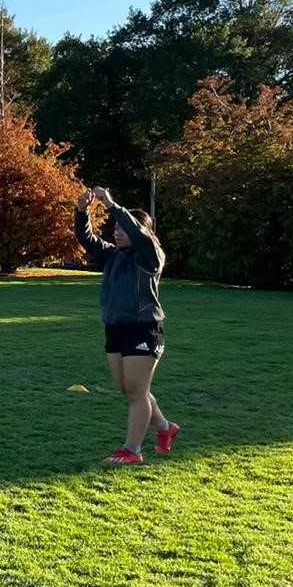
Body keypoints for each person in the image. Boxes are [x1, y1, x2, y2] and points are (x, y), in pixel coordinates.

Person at [76, 186, 179, 465]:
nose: (117, 231)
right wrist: (82, 210)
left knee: (136, 392)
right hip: (115, 328)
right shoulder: (113, 254)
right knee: (131, 390)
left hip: (143, 328)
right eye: (115, 228)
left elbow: (139, 236)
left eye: (123, 228)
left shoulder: (150, 256)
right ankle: (166, 428)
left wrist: (112, 205)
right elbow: (86, 239)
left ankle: (132, 451)